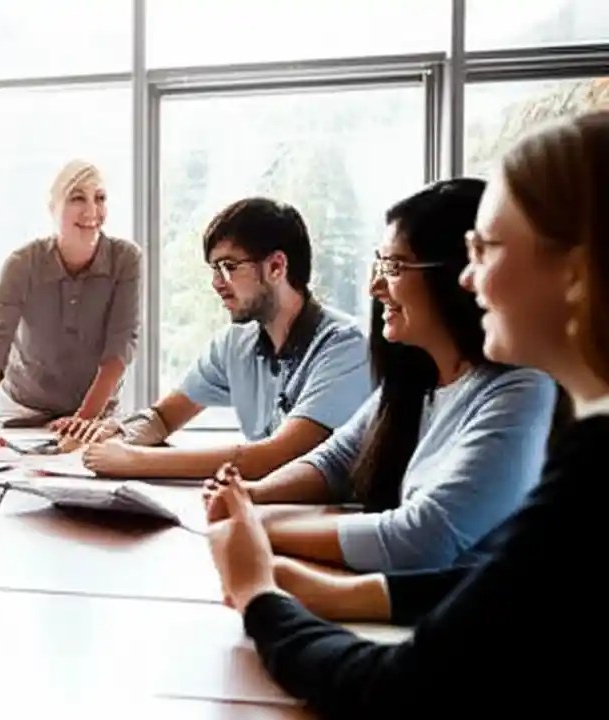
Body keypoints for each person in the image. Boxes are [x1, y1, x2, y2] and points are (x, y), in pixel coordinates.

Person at [206, 111, 608, 716]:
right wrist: (350, 592)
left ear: (577, 274)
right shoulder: (572, 438)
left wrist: (261, 592)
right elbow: (511, 585)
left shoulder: (576, 444)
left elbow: (396, 688)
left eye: (486, 248)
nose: (470, 278)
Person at [205, 179, 558, 572]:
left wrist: (254, 527)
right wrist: (251, 495)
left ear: (457, 273)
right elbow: (336, 461)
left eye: (393, 267)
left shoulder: (521, 391)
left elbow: (422, 539)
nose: (375, 286)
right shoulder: (417, 382)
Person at [80, 197, 372, 480]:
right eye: (214, 269)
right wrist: (120, 435)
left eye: (229, 267)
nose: (216, 284)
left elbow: (276, 457)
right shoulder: (234, 344)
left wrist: (135, 461)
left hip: (328, 517)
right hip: (261, 507)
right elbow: (163, 417)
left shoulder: (345, 348)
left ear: (276, 267)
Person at [0, 159, 141, 446]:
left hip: (95, 413)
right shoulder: (22, 264)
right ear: (53, 207)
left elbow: (120, 347)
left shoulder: (126, 259)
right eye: (77, 198)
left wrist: (83, 420)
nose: (91, 211)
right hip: (24, 411)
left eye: (99, 198)